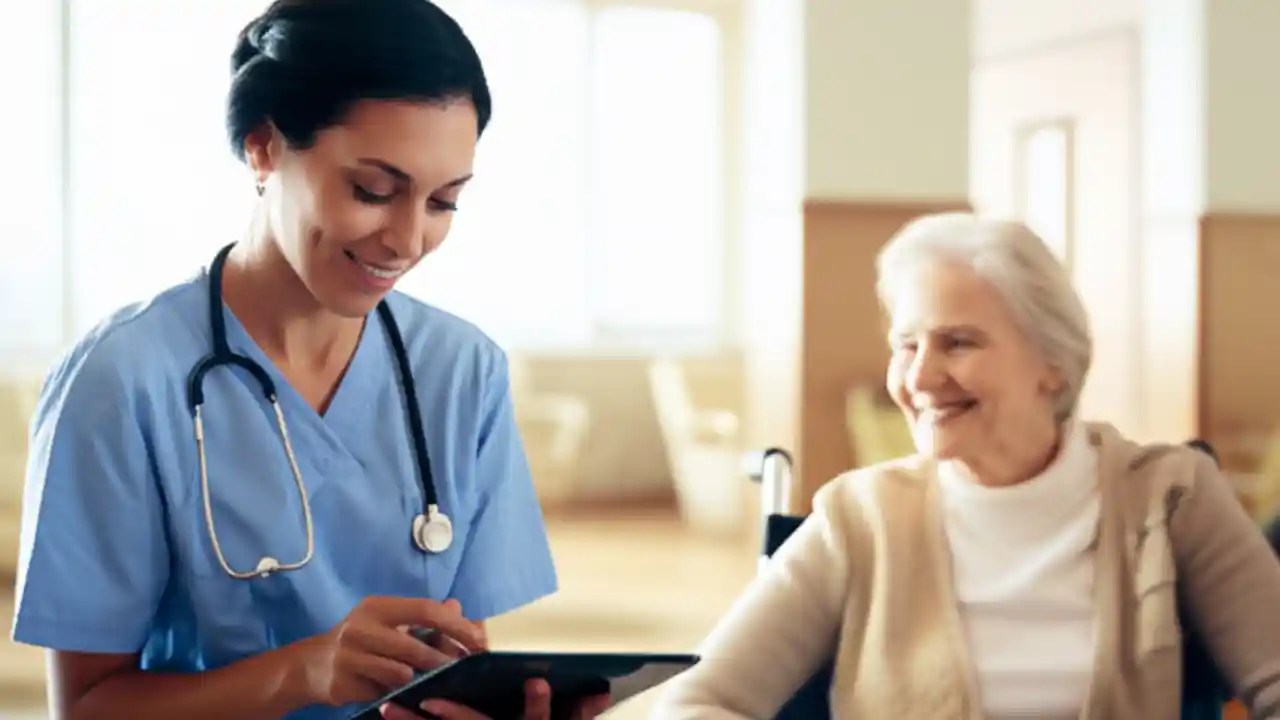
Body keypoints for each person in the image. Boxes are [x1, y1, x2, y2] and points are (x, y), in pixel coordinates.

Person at [10, 1, 610, 719]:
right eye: (373, 191)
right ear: (264, 147)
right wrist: (304, 672)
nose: (407, 240)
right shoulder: (121, 381)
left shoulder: (463, 371)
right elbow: (84, 710)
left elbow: (453, 657)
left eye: (444, 202)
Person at [653, 213, 1280, 718]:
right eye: (907, 345)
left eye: (958, 342)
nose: (920, 376)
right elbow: (700, 699)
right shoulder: (859, 516)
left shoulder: (1171, 497)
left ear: (1052, 364)